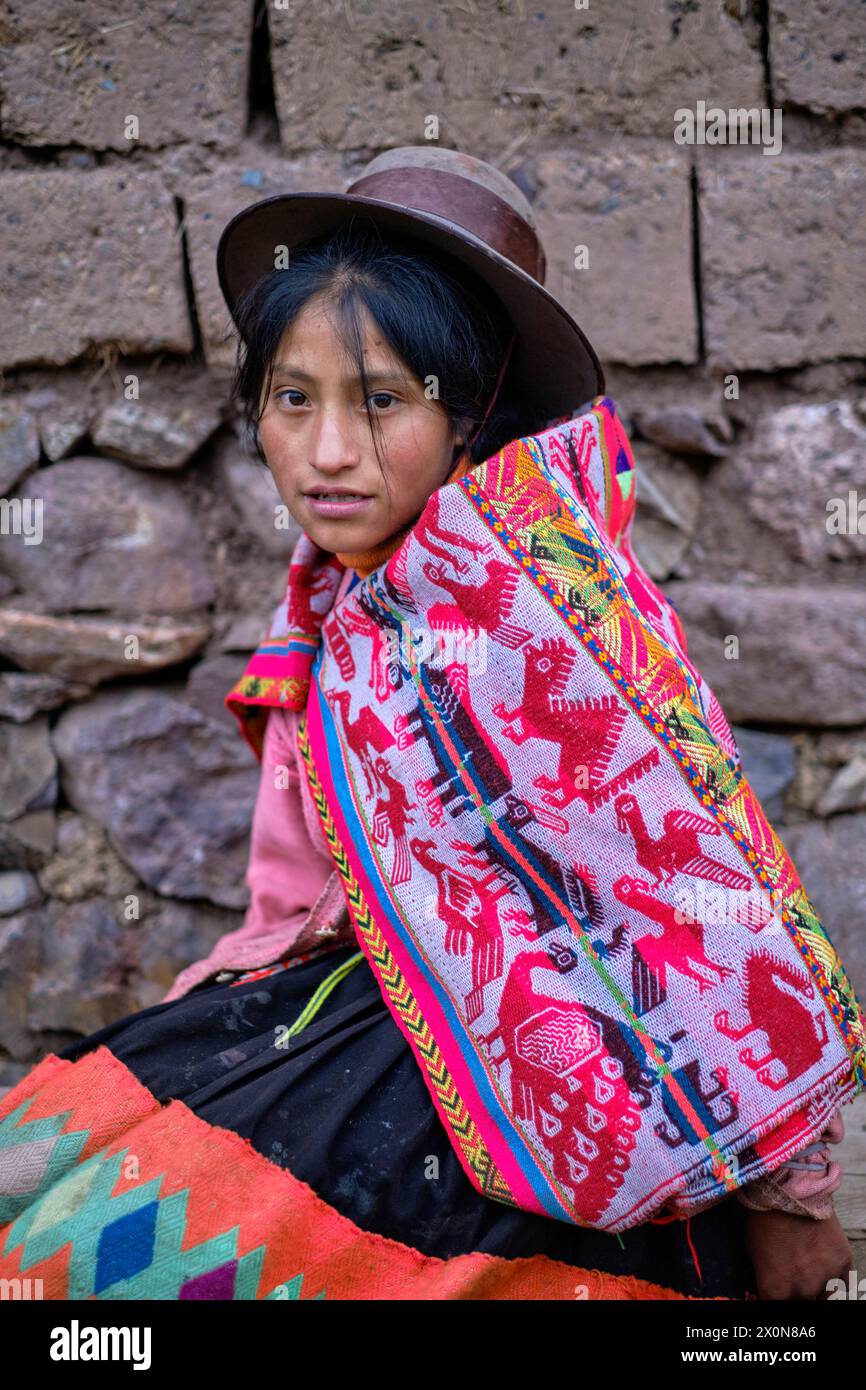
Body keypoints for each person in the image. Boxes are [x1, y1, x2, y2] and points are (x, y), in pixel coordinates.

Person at [0, 148, 858, 1302]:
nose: (329, 450)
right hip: (358, 1034)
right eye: (293, 398)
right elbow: (293, 890)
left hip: (573, 1108)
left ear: (471, 419)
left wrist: (789, 1199)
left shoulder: (548, 612)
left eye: (383, 400)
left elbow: (719, 912)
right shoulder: (330, 602)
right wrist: (209, 1022)